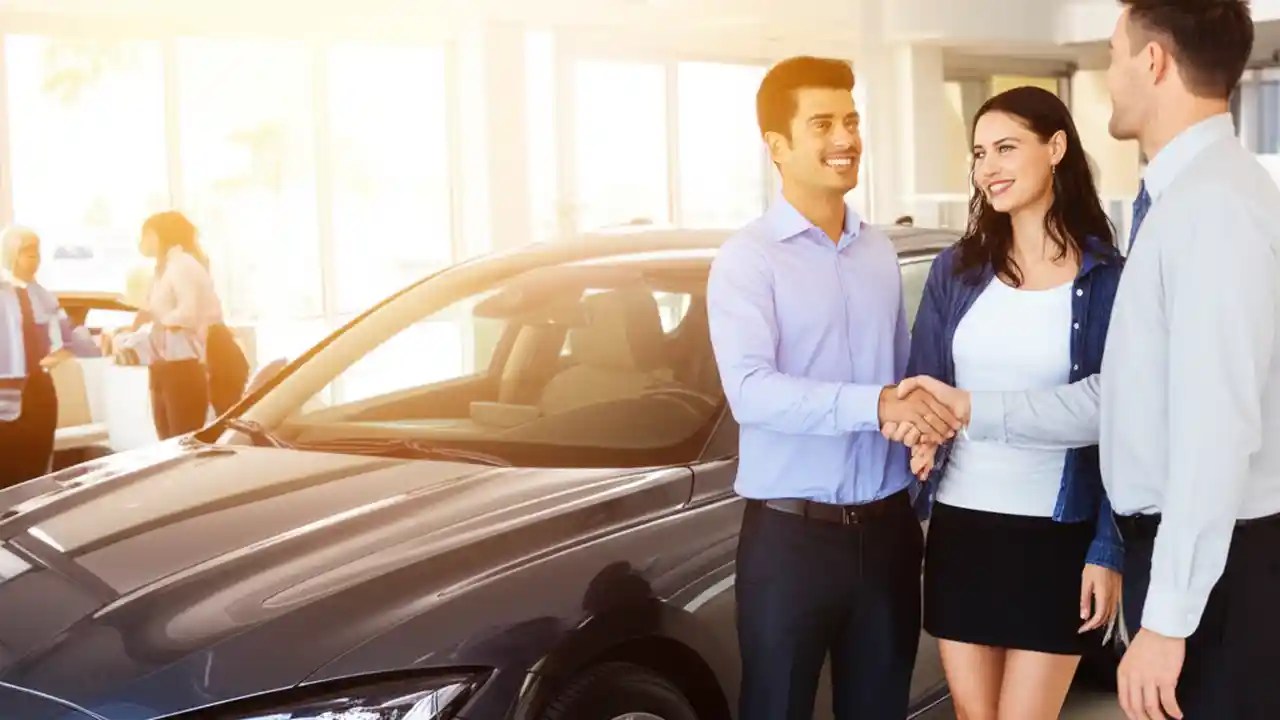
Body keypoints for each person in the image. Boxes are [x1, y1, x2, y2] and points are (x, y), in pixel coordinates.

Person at [895, 2, 1280, 717]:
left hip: (1213, 571)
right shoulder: (1181, 202)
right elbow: (1127, 398)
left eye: (1113, 53)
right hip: (1177, 559)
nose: (1109, 74)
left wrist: (1166, 620)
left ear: (1155, 62)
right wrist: (967, 409)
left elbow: (1215, 432)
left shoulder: (1212, 211)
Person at [706, 55, 960, 720]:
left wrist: (919, 428)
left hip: (888, 537)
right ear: (777, 146)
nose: (845, 139)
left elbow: (900, 375)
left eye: (851, 120)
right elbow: (751, 391)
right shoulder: (747, 259)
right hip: (791, 542)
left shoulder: (878, 251)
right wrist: (874, 405)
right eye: (822, 124)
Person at [887, 86, 1124, 720]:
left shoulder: (1107, 279)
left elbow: (1126, 428)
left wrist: (1108, 550)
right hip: (964, 528)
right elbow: (924, 388)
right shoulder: (956, 271)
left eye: (1006, 148)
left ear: (1056, 148)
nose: (987, 167)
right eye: (979, 153)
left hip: (1058, 538)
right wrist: (924, 435)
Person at [0, 226, 98, 487]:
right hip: (7, 392)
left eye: (36, 252)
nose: (34, 258)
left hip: (38, 391)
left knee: (35, 469)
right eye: (26, 252)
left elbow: (69, 339)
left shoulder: (43, 296)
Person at [134, 211, 230, 439]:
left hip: (185, 365)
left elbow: (189, 313)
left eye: (147, 235)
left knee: (182, 440)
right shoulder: (163, 268)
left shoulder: (183, 265)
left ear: (162, 235)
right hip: (165, 365)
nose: (142, 242)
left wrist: (160, 321)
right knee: (166, 440)